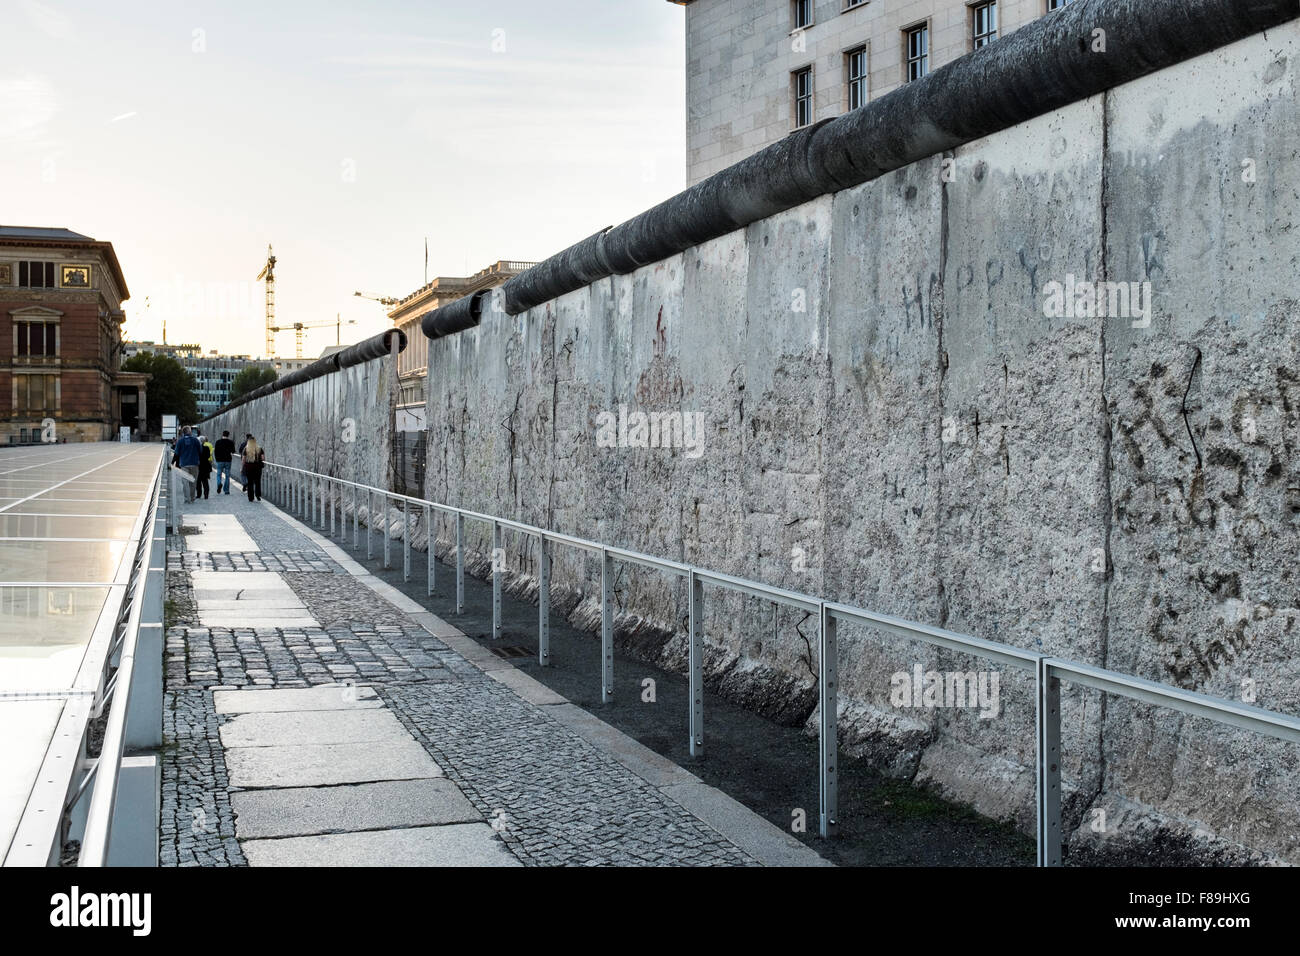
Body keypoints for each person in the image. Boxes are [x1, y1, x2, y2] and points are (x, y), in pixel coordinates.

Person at [172, 426, 202, 504]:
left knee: (185, 482)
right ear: (190, 432)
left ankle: (187, 499)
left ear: (183, 432)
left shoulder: (180, 441)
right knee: (193, 482)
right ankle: (192, 498)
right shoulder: (195, 440)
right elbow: (200, 451)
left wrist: (172, 463)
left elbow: (176, 454)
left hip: (184, 464)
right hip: (194, 464)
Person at [242, 435, 265, 502]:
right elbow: (263, 458)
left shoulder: (246, 449)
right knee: (257, 482)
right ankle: (258, 495)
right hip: (257, 468)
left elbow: (243, 459)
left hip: (249, 468)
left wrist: (242, 467)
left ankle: (250, 497)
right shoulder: (259, 448)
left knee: (250, 482)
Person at [213, 430, 236, 495]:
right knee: (227, 476)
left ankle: (219, 483)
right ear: (228, 435)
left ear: (222, 434)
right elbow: (233, 451)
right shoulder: (231, 442)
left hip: (220, 460)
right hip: (228, 460)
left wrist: (217, 459)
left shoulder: (218, 442)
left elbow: (215, 452)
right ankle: (226, 491)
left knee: (218, 474)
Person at [195, 435, 212, 500]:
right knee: (205, 482)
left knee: (198, 482)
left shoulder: (196, 448)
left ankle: (199, 495)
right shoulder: (207, 448)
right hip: (205, 466)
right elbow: (208, 456)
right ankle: (206, 495)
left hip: (198, 466)